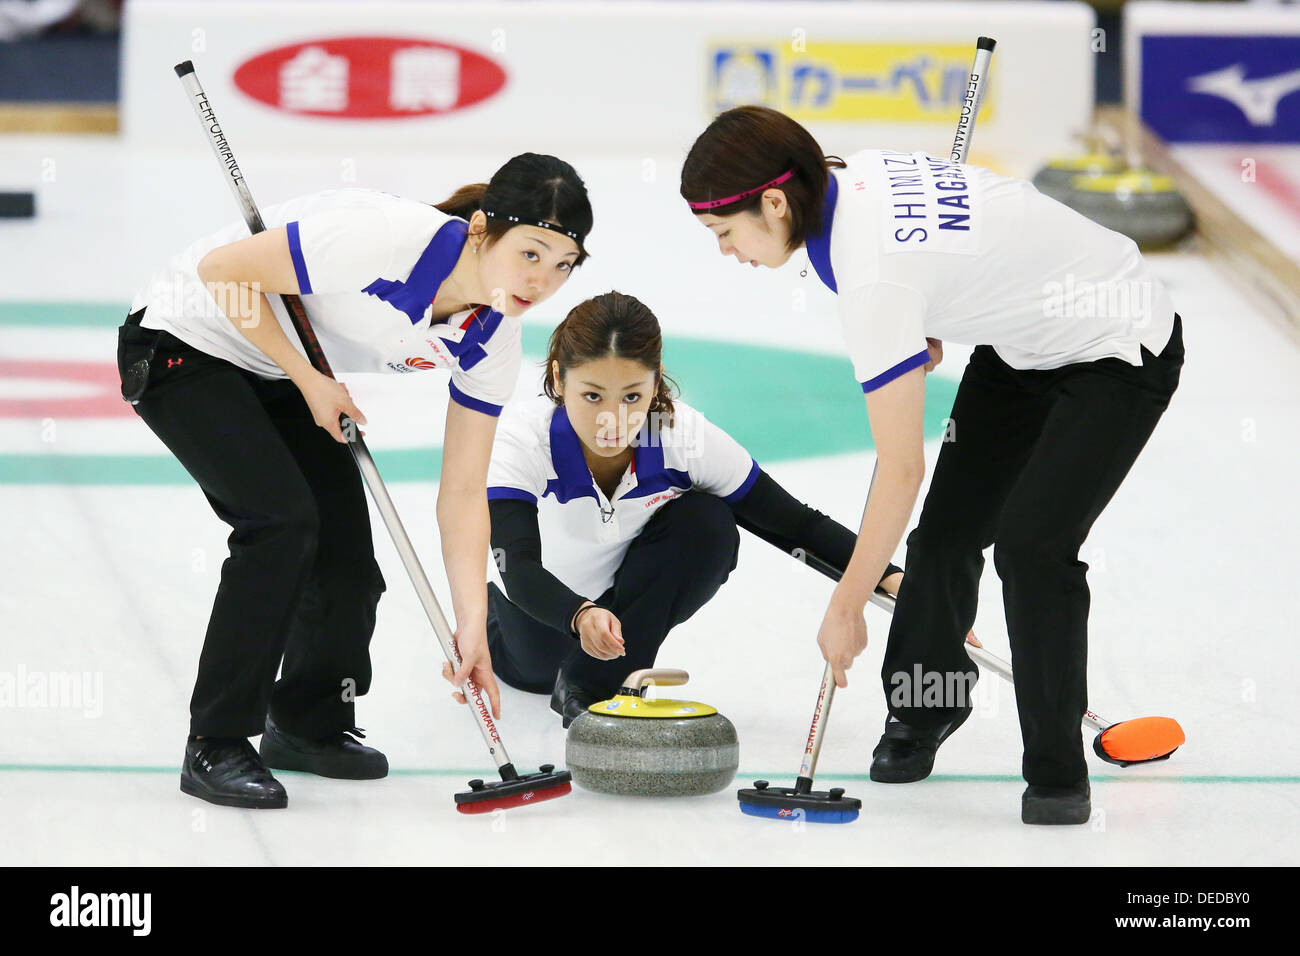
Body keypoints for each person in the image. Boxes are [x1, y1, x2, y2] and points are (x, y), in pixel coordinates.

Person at [679, 106, 1184, 825]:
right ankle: (926, 709)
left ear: (775, 201)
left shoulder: (871, 277)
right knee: (944, 540)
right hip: (1024, 344)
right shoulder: (842, 177)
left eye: (725, 233)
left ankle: (1056, 772)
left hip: (1118, 342)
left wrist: (848, 603)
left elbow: (900, 468)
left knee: (1033, 548)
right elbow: (970, 243)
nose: (726, 251)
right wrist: (938, 309)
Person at [116, 154, 592, 808]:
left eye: (564, 265)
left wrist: (472, 624)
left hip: (280, 371)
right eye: (532, 254)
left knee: (347, 565)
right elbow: (221, 272)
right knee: (281, 523)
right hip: (185, 340)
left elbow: (461, 493)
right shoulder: (383, 236)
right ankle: (215, 743)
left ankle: (309, 722)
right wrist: (309, 378)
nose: (543, 280)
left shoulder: (491, 342)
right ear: (482, 229)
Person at [468, 290, 900, 726]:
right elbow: (519, 566)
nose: (613, 419)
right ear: (559, 380)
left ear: (655, 383)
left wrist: (893, 577)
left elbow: (793, 524)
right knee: (539, 672)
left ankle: (595, 683)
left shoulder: (680, 436)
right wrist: (580, 615)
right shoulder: (522, 440)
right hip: (540, 613)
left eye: (632, 397)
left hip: (620, 616)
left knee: (707, 522)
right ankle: (492, 623)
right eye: (593, 396)